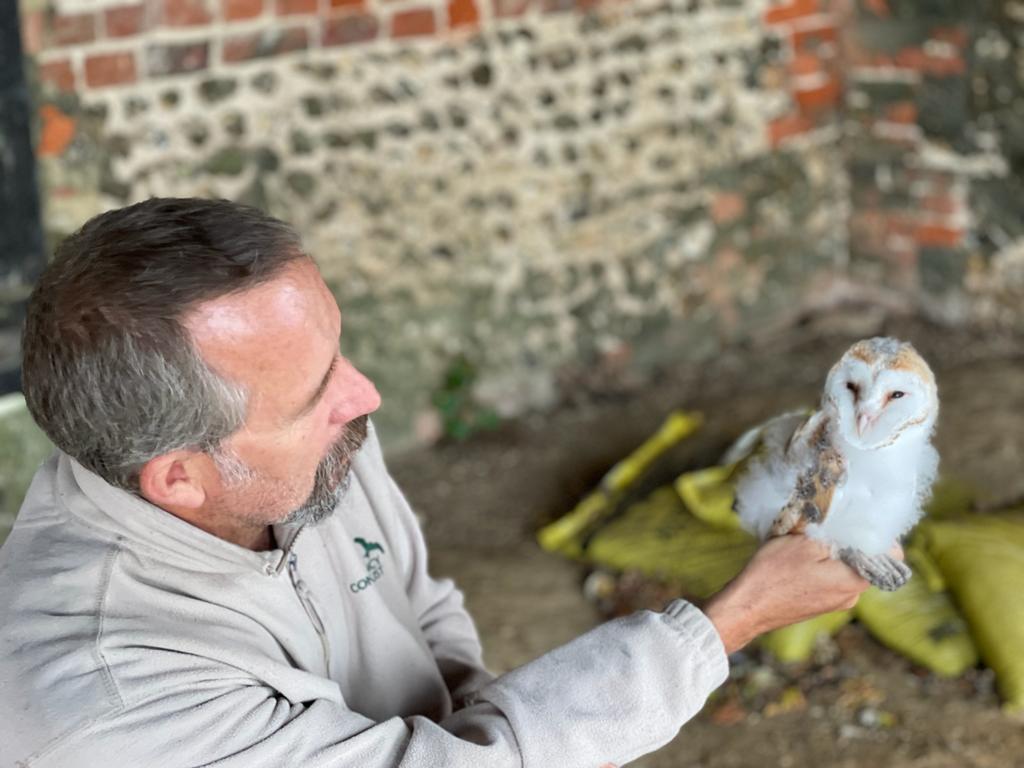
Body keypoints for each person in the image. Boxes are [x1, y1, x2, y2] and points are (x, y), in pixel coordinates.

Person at [0, 198, 870, 768]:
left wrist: (486, 727)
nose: (364, 395)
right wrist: (731, 622)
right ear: (179, 479)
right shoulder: (110, 699)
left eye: (336, 349)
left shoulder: (307, 451)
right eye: (313, 393)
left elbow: (418, 604)